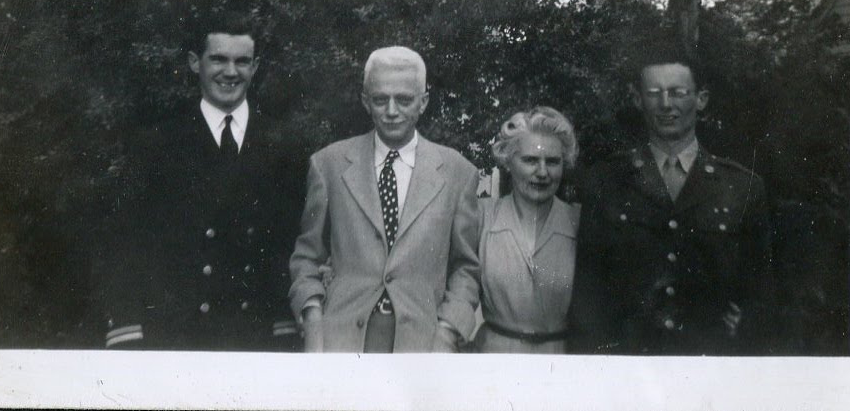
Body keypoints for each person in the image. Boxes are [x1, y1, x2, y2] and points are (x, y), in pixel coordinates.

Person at [97, 11, 301, 350]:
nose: (230, 72)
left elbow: (291, 245)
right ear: (195, 63)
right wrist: (126, 328)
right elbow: (125, 244)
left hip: (257, 336)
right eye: (218, 59)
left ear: (256, 66)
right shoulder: (156, 143)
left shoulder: (282, 145)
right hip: (178, 338)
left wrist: (285, 327)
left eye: (242, 61)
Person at [569, 45, 774, 355]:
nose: (666, 104)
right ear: (638, 99)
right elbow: (587, 294)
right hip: (629, 366)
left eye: (678, 92)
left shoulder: (742, 187)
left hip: (709, 367)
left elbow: (760, 297)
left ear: (701, 99)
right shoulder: (606, 181)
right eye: (654, 93)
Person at [288, 47, 481, 353]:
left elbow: (467, 270)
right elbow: (306, 258)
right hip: (341, 342)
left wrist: (447, 333)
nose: (392, 111)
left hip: (423, 345)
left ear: (423, 102)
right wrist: (313, 324)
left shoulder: (458, 172)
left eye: (404, 100)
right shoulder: (329, 164)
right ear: (366, 101)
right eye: (381, 99)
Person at [474, 106, 580, 354]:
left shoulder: (579, 222)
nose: (542, 173)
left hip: (560, 362)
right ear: (508, 161)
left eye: (553, 162)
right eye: (530, 160)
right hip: (493, 361)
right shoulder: (482, 217)